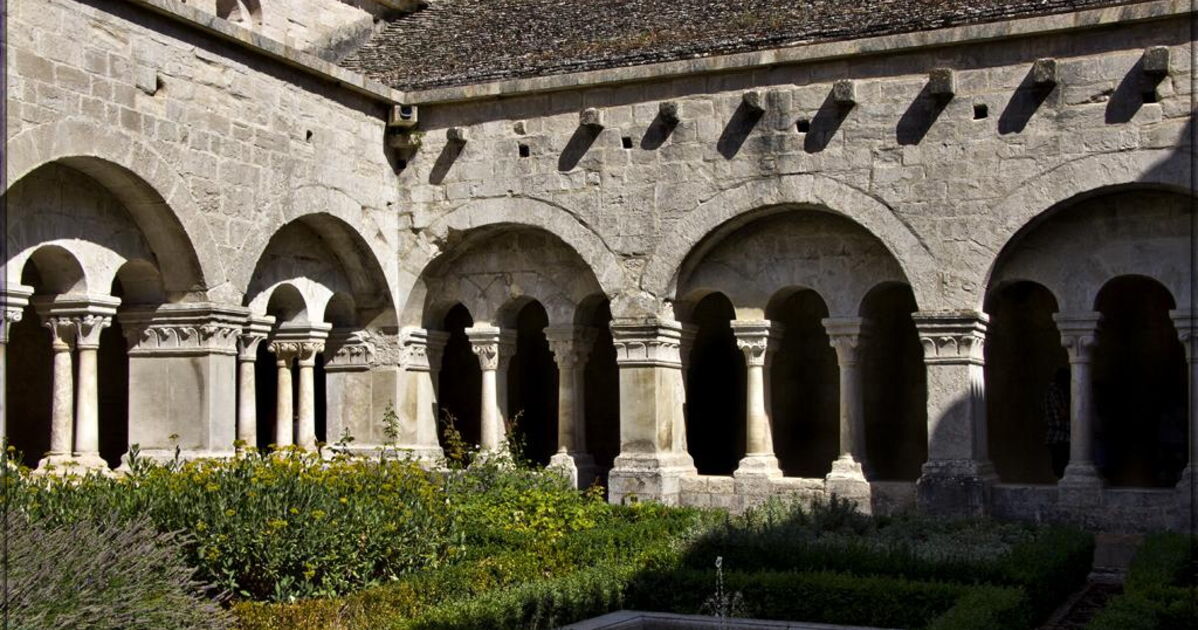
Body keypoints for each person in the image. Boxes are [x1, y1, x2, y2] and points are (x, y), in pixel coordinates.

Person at [1044, 367, 1071, 479]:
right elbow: (1062, 413)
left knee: (1061, 469)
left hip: (1057, 437)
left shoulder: (1054, 391)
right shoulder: (1056, 391)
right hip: (1060, 436)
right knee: (1062, 469)